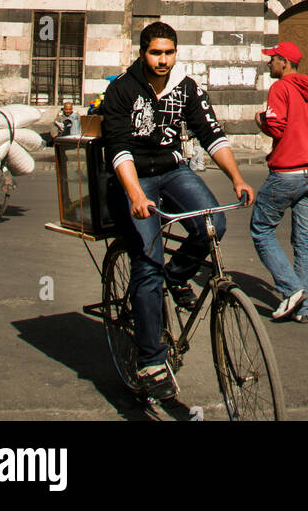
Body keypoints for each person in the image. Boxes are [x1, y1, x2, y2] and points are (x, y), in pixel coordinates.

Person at [102, 20, 255, 402]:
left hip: (171, 171)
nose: (163, 60)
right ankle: (151, 360)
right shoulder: (121, 90)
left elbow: (211, 134)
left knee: (212, 225)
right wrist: (135, 194)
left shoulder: (186, 88)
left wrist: (236, 177)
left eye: (169, 53)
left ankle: (180, 273)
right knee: (147, 262)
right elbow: (117, 148)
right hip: (133, 177)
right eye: (156, 53)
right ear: (142, 52)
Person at [250, 41, 308, 323]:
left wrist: (260, 120)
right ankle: (303, 307)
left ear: (285, 62)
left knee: (261, 230)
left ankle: (292, 288)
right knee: (304, 241)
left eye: (273, 59)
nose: (269, 63)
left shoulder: (280, 88)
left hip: (286, 174)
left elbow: (277, 126)